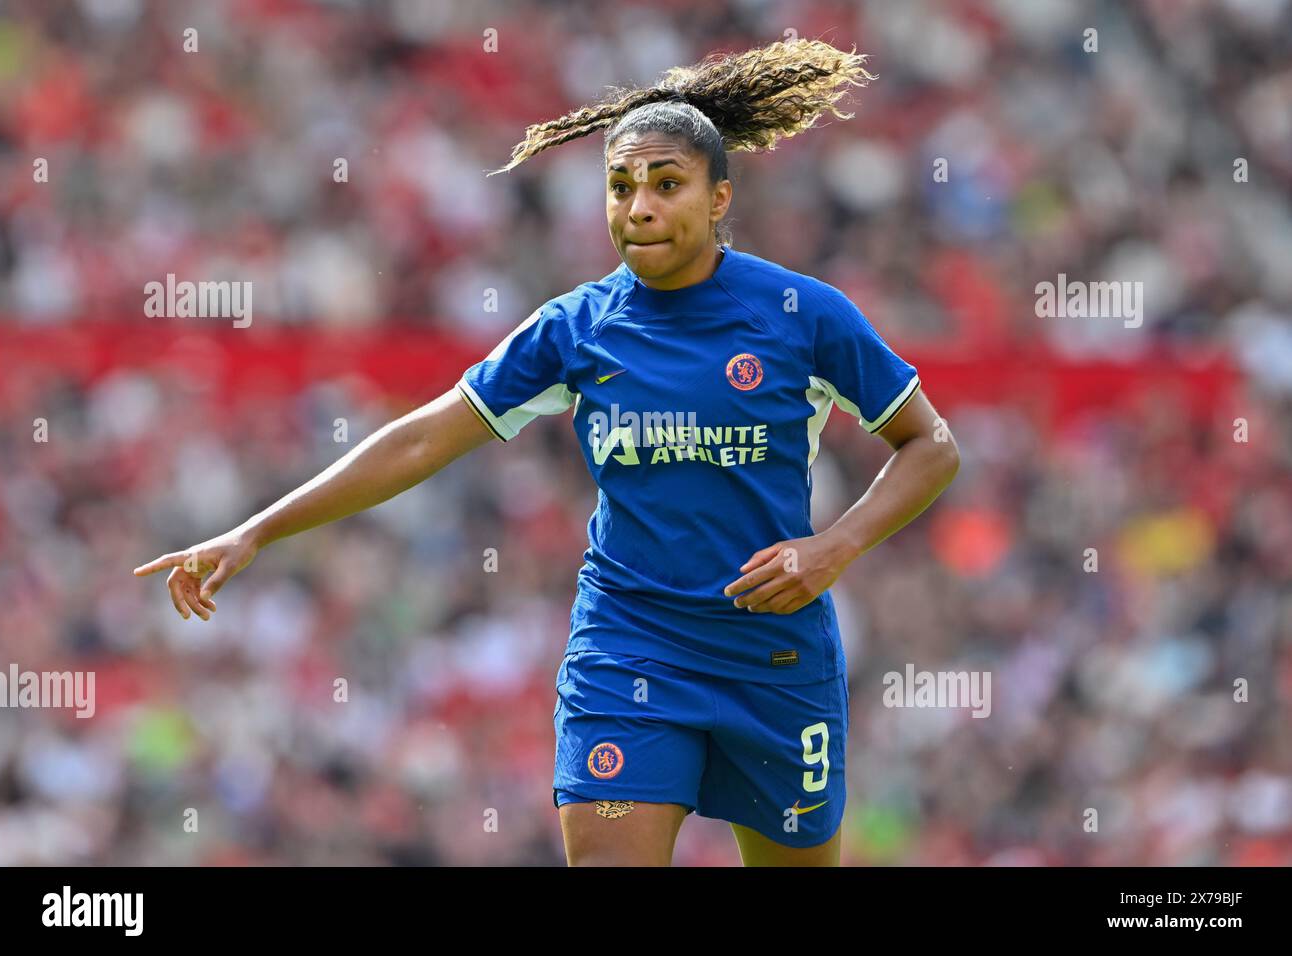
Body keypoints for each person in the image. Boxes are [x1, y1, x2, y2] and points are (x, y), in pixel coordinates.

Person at [134, 39, 960, 866]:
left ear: (719, 200)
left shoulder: (801, 315)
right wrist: (255, 530)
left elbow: (931, 445)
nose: (638, 206)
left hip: (774, 655)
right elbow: (422, 436)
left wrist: (835, 546)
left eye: (667, 185)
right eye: (620, 185)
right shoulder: (577, 328)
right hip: (631, 644)